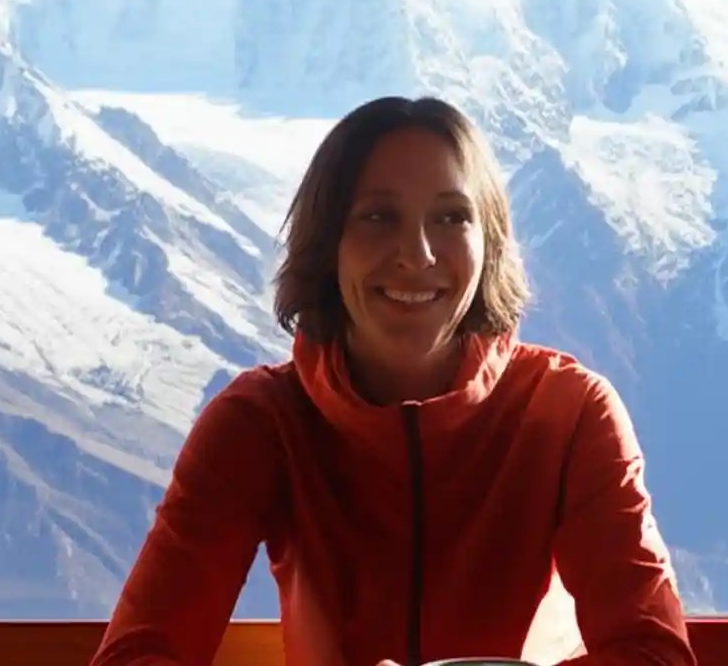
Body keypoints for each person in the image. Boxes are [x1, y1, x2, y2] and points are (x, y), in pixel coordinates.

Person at [91, 96, 695, 666]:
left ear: (490, 243)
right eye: (379, 217)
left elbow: (654, 653)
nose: (417, 253)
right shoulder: (260, 423)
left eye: (452, 217)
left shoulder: (570, 414)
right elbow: (138, 652)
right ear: (328, 243)